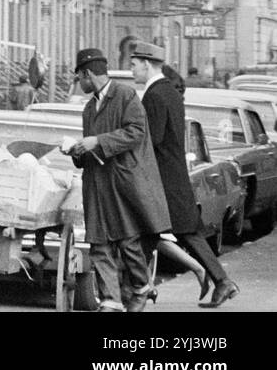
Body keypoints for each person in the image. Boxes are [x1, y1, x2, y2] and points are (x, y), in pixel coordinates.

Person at [63, 48, 171, 312]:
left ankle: (142, 286)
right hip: (96, 184)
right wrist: (77, 151)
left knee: (127, 240)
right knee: (99, 244)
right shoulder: (89, 108)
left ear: (88, 74)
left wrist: (97, 141)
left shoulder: (125, 95)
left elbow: (136, 132)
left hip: (122, 183)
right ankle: (111, 301)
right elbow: (90, 149)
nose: (80, 84)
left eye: (80, 78)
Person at [134, 42, 240, 308]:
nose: (132, 69)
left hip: (163, 181)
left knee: (144, 232)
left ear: (146, 64)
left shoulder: (154, 95)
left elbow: (153, 140)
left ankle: (139, 290)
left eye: (134, 64)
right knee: (179, 232)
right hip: (174, 177)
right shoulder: (169, 91)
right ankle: (216, 279)